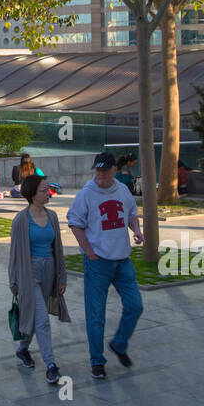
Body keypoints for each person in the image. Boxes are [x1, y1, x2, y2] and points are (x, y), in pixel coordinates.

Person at [67, 151, 144, 380]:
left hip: (122, 261)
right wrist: (89, 252)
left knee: (135, 305)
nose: (100, 174)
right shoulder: (86, 194)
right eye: (97, 170)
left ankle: (119, 344)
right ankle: (97, 361)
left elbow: (131, 213)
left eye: (104, 170)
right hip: (98, 263)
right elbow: (75, 223)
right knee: (96, 316)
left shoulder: (121, 189)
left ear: (113, 170)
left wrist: (137, 230)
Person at [8, 173, 70, 384]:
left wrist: (61, 278)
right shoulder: (21, 220)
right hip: (29, 274)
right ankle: (51, 365)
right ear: (32, 195)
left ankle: (22, 349)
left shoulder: (52, 216)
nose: (48, 193)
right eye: (44, 190)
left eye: (48, 189)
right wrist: (14, 282)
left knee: (36, 316)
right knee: (42, 320)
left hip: (49, 272)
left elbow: (58, 249)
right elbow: (15, 254)